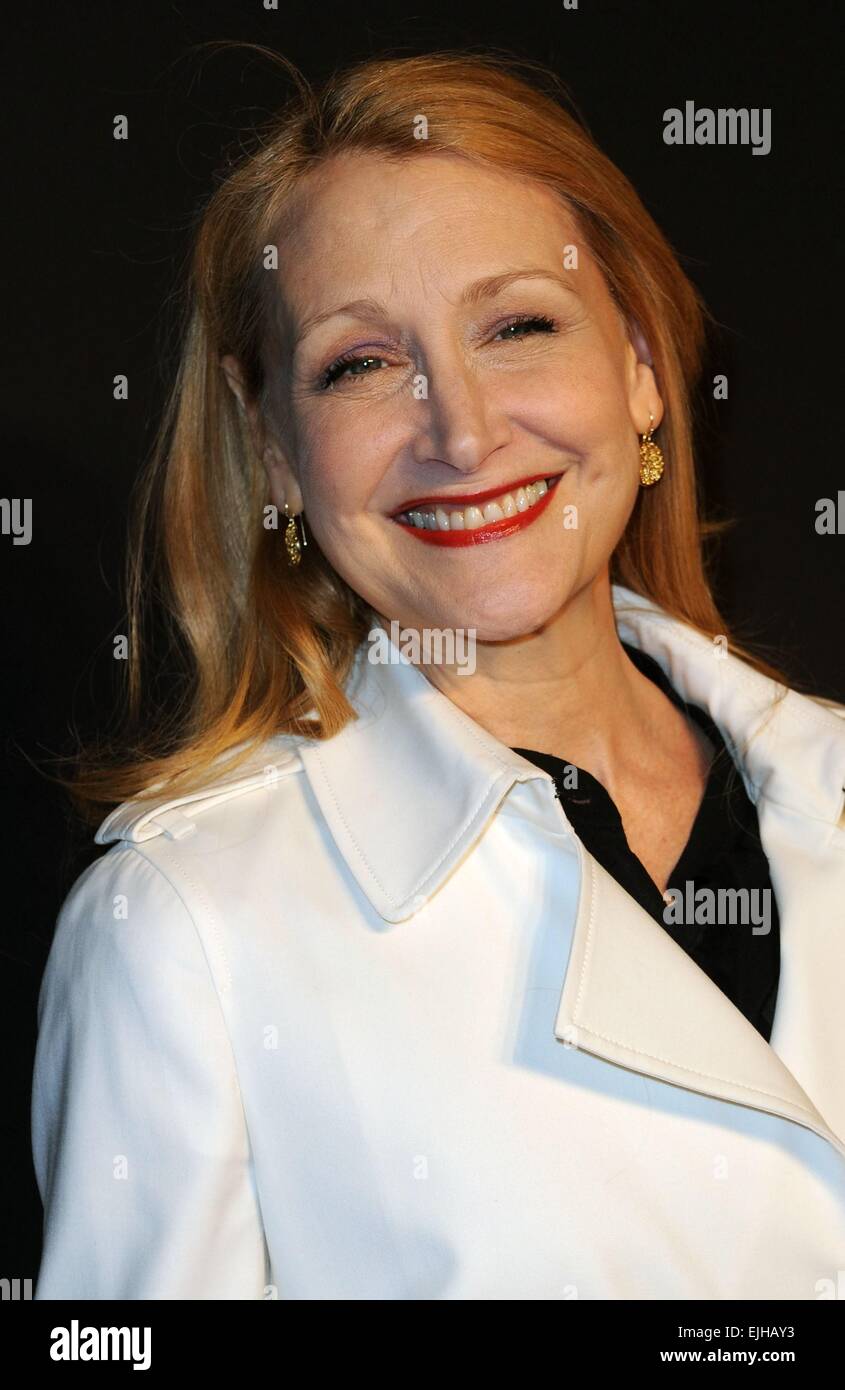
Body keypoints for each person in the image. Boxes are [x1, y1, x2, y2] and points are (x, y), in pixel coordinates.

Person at [32, 48, 845, 1301]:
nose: (460, 430)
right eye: (359, 364)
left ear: (635, 366)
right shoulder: (181, 928)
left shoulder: (822, 782)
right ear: (277, 452)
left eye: (517, 326)